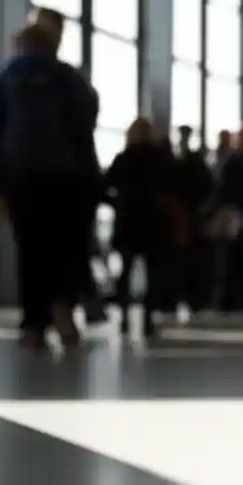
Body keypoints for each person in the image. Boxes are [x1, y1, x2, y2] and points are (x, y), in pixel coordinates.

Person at [0, 24, 98, 350]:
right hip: (65, 177)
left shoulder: (6, 78)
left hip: (22, 178)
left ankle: (33, 324)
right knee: (63, 247)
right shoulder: (67, 77)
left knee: (30, 250)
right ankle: (63, 312)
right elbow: (84, 124)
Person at [29, 6, 108, 326]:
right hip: (48, 177)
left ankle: (62, 308)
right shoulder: (55, 78)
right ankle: (62, 308)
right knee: (54, 247)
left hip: (67, 177)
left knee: (63, 246)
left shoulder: (63, 79)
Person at [105, 118, 178, 339]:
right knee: (152, 274)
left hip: (127, 221)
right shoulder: (158, 158)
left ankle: (124, 319)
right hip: (152, 222)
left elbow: (105, 184)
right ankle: (147, 321)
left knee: (125, 273)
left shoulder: (123, 158)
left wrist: (116, 203)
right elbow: (171, 187)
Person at [213, 122, 243, 312]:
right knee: (236, 260)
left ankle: (234, 300)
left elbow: (223, 189)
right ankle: (237, 300)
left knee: (236, 260)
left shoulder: (236, 159)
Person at [173, 125, 215, 311]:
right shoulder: (187, 162)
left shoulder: (183, 162)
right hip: (185, 217)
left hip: (188, 218)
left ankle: (192, 296)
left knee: (191, 260)